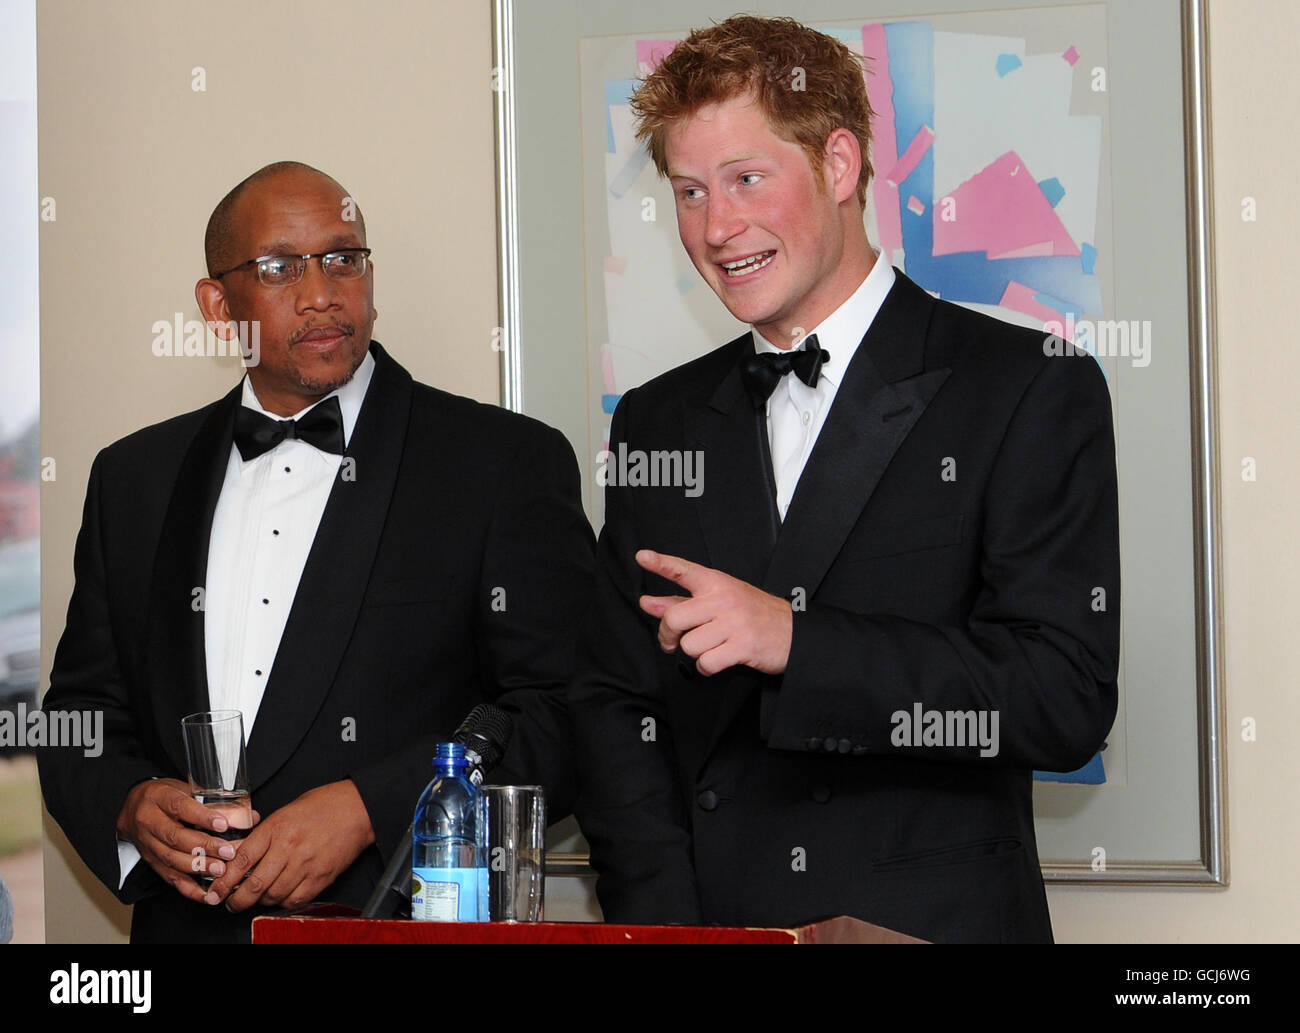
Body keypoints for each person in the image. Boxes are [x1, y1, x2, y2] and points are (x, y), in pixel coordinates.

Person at [569, 16, 1120, 943]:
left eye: (747, 179)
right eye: (691, 191)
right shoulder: (655, 421)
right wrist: (665, 926)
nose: (717, 227)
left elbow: (1061, 697)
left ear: (837, 164)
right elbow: (617, 707)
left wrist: (798, 641)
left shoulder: (1028, 386)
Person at [38, 162, 595, 942]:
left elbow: (569, 714)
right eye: (279, 267)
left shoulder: (500, 463)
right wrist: (129, 805)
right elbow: (80, 717)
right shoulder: (133, 477)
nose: (322, 292)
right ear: (215, 304)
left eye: (343, 258)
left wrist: (374, 807)